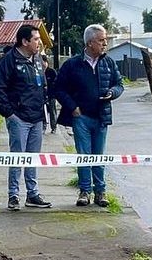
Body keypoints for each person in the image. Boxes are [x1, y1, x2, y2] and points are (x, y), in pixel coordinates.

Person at [53, 24, 124, 207]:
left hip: (101, 117)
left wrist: (112, 93)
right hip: (81, 118)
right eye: (101, 40)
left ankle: (101, 192)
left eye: (105, 40)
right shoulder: (72, 64)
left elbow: (119, 84)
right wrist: (72, 107)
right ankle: (85, 191)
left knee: (99, 155)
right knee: (83, 155)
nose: (105, 43)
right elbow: (59, 89)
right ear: (90, 42)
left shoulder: (108, 63)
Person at [0, 24, 53, 211]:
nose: (39, 43)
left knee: (32, 158)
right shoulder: (8, 60)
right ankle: (13, 195)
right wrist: (9, 114)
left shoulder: (36, 60)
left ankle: (32, 194)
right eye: (35, 39)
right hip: (19, 118)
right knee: (17, 157)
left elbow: (41, 84)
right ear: (24, 41)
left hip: (36, 117)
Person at [42, 54, 58, 133]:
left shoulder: (52, 72)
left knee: (52, 111)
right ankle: (43, 127)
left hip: (52, 95)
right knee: (43, 112)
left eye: (44, 62)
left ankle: (54, 127)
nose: (43, 64)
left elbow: (57, 83)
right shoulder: (39, 72)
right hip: (42, 96)